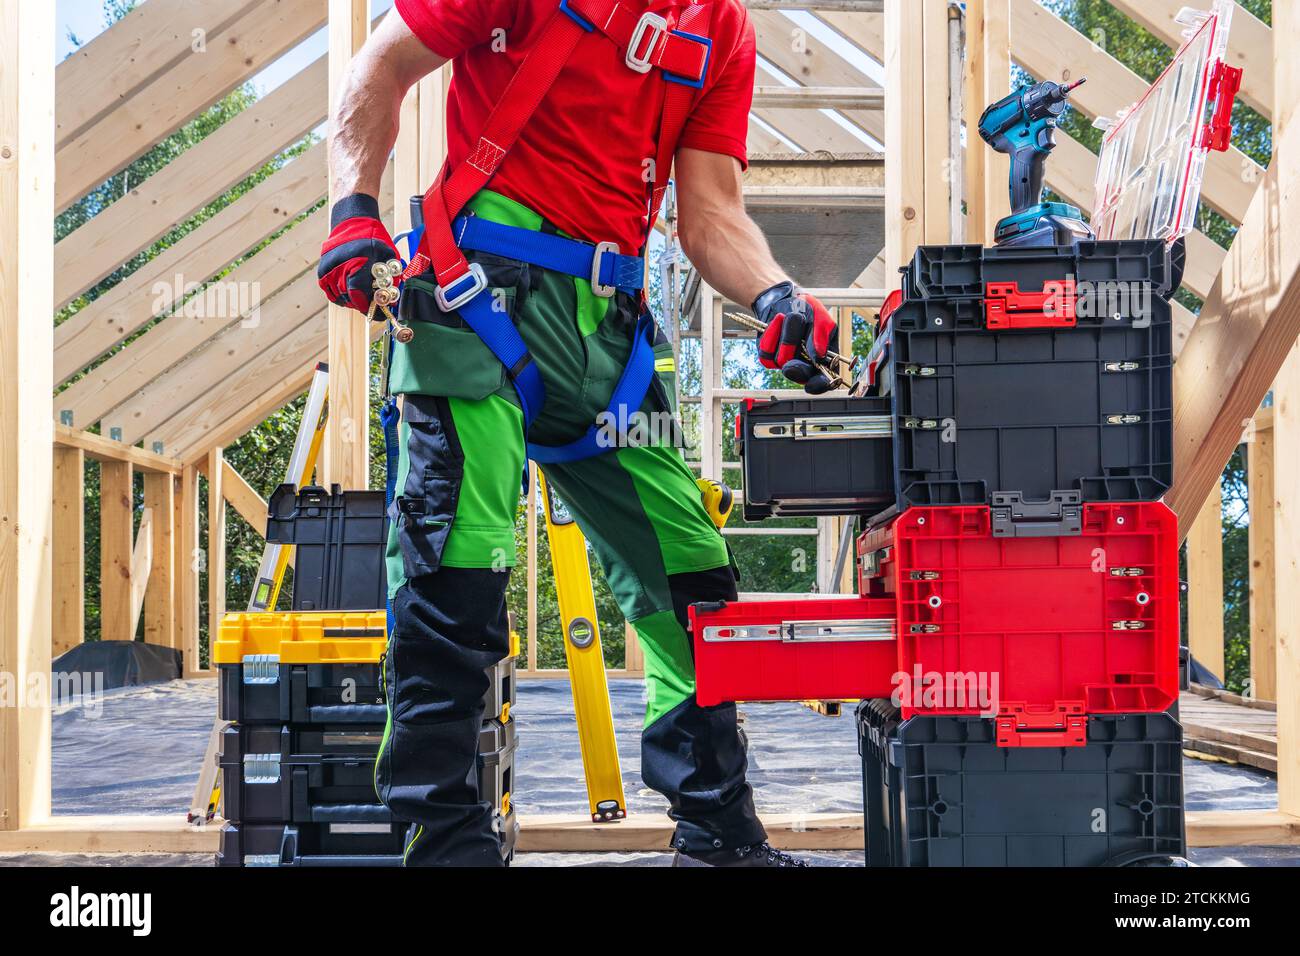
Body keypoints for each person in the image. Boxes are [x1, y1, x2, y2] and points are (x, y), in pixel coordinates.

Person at [317, 0, 836, 867]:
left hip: (609, 332)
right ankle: (445, 848)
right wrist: (352, 210)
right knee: (456, 576)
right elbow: (379, 68)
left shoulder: (724, 30)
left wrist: (775, 293)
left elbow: (709, 214)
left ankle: (719, 838)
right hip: (477, 298)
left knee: (693, 583)